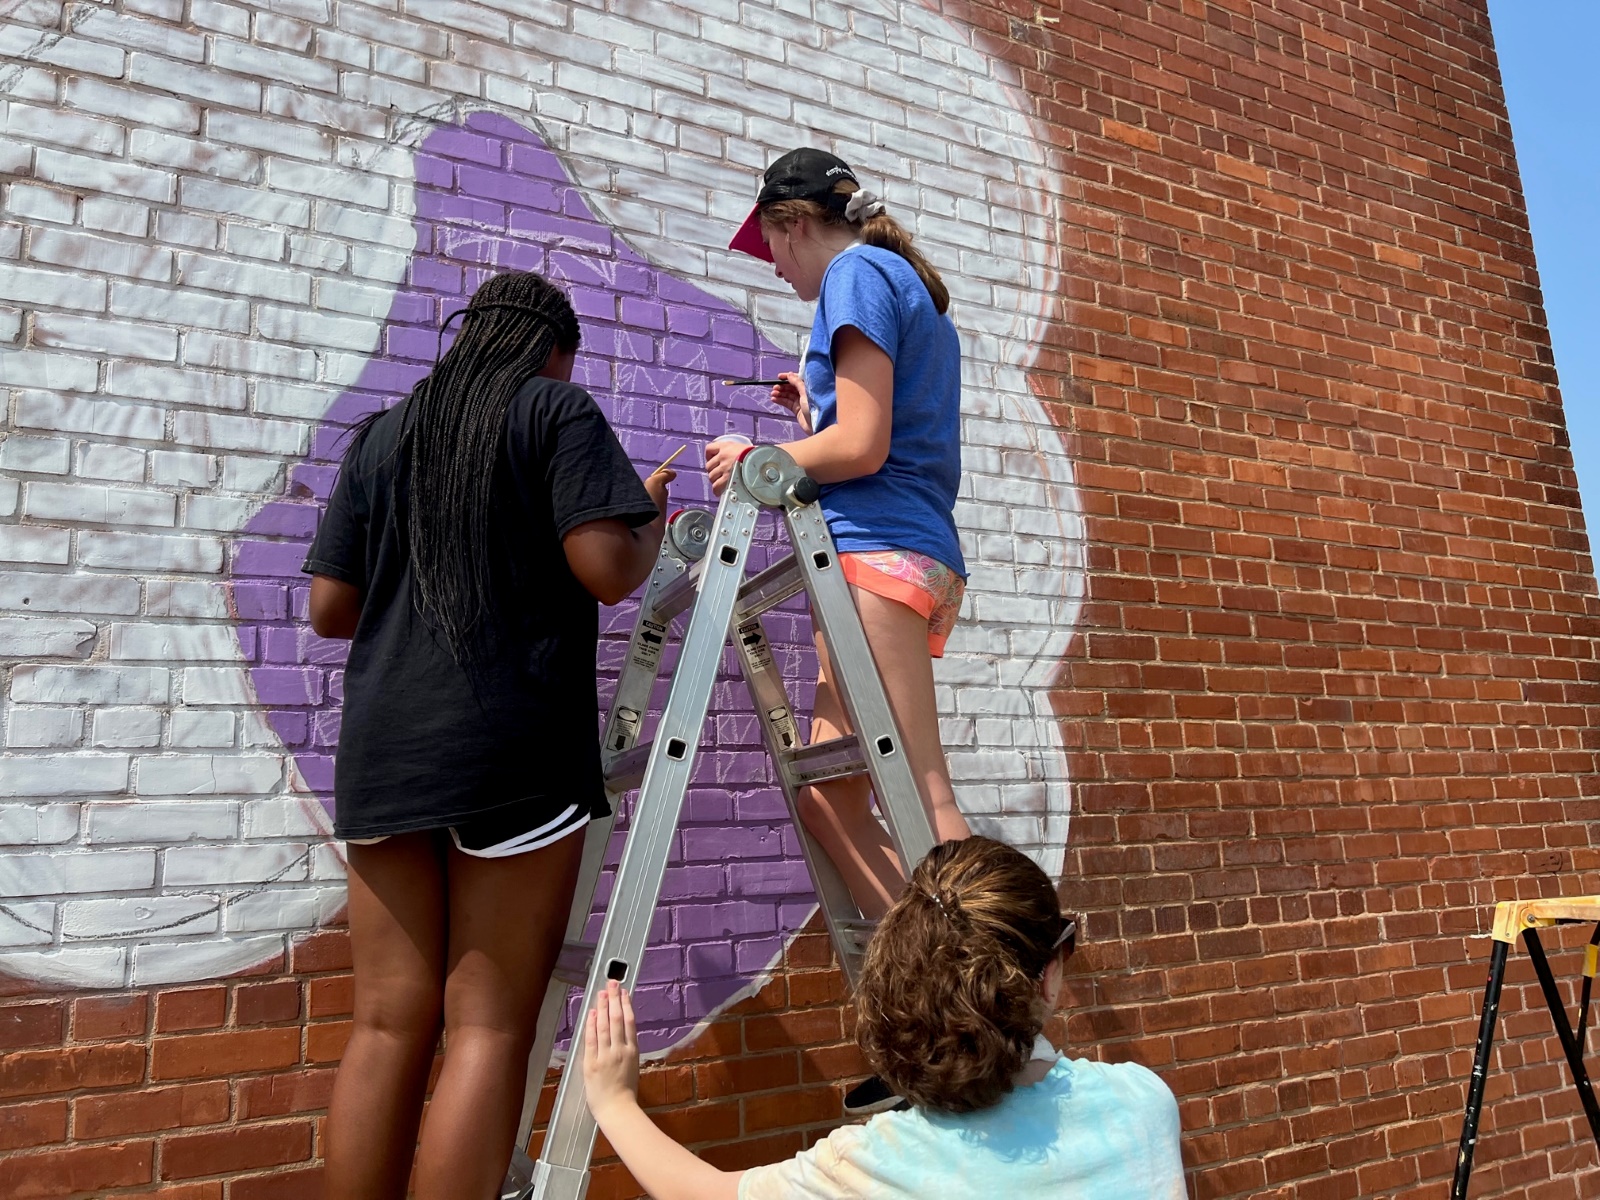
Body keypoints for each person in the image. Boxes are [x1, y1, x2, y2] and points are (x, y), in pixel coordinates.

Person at [303, 270, 673, 1200]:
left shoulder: (385, 436)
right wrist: (650, 517)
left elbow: (328, 608)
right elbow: (604, 570)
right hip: (509, 751)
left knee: (385, 1026)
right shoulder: (554, 411)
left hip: (385, 754)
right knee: (489, 1025)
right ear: (553, 348)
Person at [582, 836, 1187, 1199]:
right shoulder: (1143, 1103)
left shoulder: (876, 1166)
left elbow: (705, 1195)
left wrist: (613, 1102)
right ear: (1050, 975)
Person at [715, 147, 971, 926]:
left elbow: (861, 445)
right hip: (896, 546)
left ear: (793, 226)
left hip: (877, 548)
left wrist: (762, 459)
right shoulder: (899, 282)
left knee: (922, 789)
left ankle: (998, 988)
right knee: (830, 798)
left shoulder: (854, 276)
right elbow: (873, 435)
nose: (776, 271)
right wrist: (808, 422)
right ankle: (931, 969)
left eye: (770, 248)